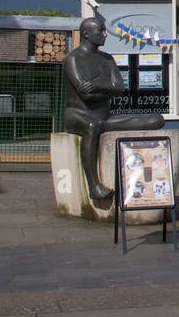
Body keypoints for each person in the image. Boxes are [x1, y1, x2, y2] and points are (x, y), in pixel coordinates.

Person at [63, 17, 164, 210]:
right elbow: (86, 93)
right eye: (100, 31)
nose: (104, 35)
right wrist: (105, 86)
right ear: (86, 34)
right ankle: (94, 185)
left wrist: (97, 84)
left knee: (156, 119)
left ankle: (105, 126)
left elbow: (119, 88)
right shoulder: (73, 59)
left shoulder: (107, 59)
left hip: (104, 117)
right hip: (78, 115)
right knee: (92, 126)